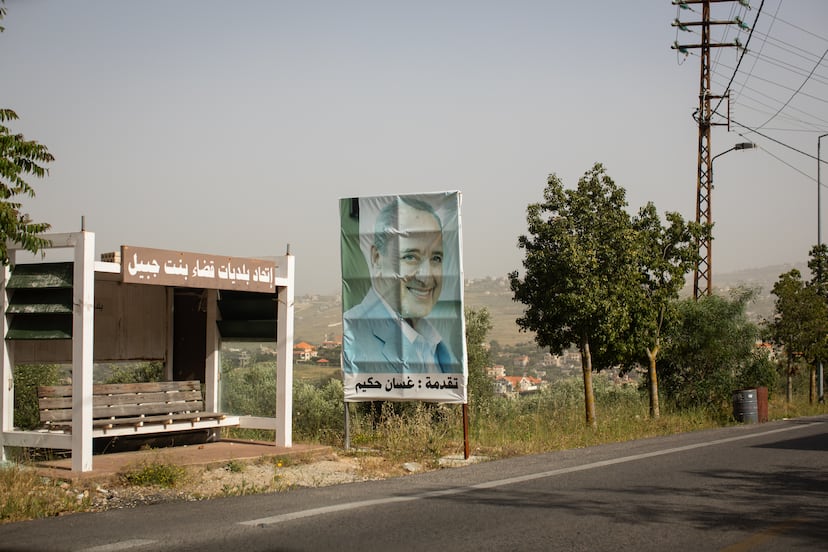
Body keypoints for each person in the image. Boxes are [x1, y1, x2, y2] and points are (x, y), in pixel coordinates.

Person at [343, 196, 459, 374]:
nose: (426, 277)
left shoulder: (438, 347)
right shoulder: (354, 335)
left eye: (436, 258)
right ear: (377, 258)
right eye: (410, 257)